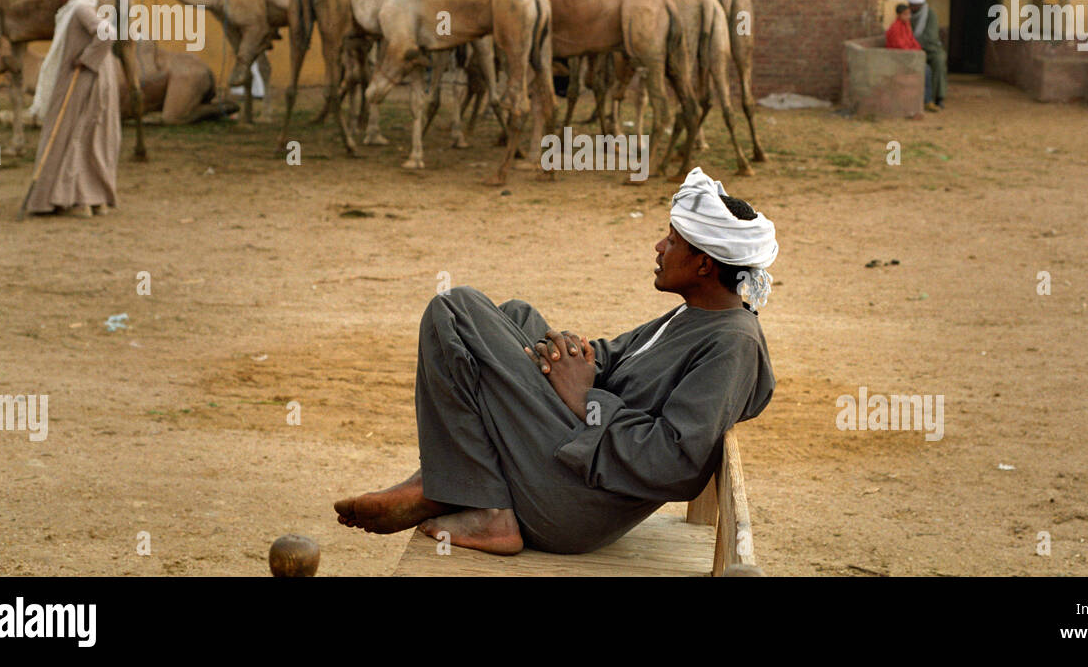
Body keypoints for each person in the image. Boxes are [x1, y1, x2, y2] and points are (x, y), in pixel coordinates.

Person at [333, 167, 777, 555]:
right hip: (570, 467)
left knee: (454, 308)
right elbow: (616, 359)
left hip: (576, 503)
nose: (658, 246)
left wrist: (584, 398)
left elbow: (674, 461)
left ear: (703, 264)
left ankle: (482, 505)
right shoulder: (698, 315)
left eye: (673, 240)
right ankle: (455, 484)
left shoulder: (732, 343)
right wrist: (568, 351)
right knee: (517, 316)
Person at [21, 0, 121, 217]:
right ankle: (91, 199)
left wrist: (85, 59)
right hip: (90, 77)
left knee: (71, 134)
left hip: (84, 80)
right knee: (87, 137)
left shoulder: (80, 10)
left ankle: (74, 199)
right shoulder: (76, 10)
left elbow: (107, 34)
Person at [886, 3, 935, 110]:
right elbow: (900, 46)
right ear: (899, 15)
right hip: (899, 58)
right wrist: (914, 55)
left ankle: (928, 99)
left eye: (909, 14)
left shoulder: (906, 25)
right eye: (905, 14)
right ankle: (927, 100)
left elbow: (912, 41)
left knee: (928, 69)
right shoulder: (895, 28)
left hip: (910, 56)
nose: (908, 17)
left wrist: (918, 51)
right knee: (926, 70)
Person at [907, 0, 946, 109]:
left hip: (931, 49)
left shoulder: (930, 15)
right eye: (911, 5)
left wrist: (913, 42)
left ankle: (938, 97)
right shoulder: (907, 15)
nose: (912, 7)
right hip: (912, 49)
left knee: (938, 61)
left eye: (915, 5)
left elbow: (931, 36)